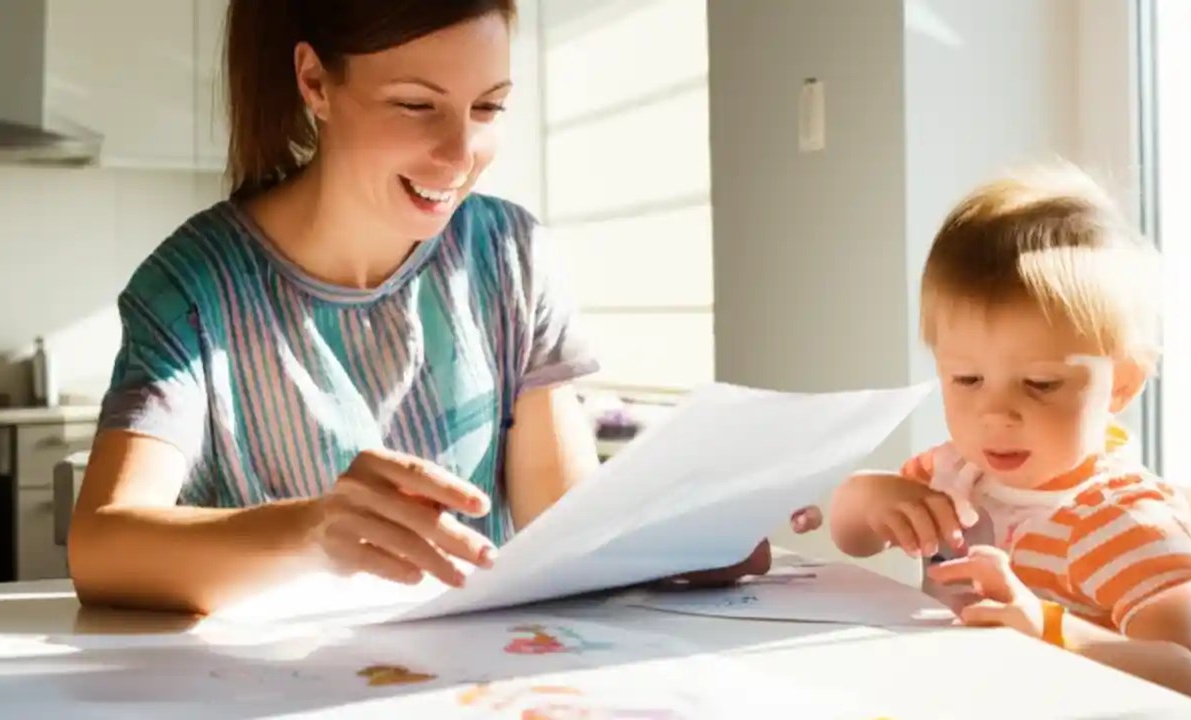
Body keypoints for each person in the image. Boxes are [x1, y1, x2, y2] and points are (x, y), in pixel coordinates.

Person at [68, 0, 768, 616]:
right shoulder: (193, 289)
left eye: (488, 107)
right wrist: (312, 531)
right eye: (415, 105)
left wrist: (699, 532)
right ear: (315, 81)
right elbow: (103, 546)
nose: (461, 153)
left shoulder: (511, 255)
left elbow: (565, 523)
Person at [816, 164, 1191, 710]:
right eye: (967, 379)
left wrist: (1050, 629)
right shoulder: (959, 477)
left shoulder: (1123, 522)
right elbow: (854, 537)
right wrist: (868, 497)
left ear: (1123, 385)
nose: (995, 414)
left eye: (1039, 384)